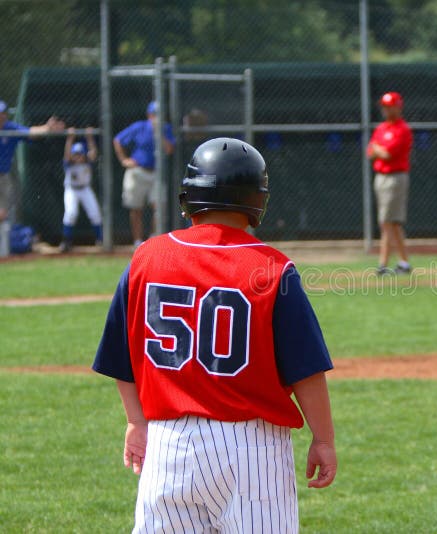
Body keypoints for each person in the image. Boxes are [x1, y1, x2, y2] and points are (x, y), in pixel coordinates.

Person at [93, 138, 337, 532]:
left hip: (168, 446)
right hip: (251, 451)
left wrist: (136, 421)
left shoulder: (147, 257)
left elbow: (122, 356)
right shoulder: (273, 268)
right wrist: (323, 438)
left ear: (188, 196)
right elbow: (305, 369)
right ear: (257, 201)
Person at [113, 101, 175, 248]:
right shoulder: (139, 127)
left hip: (157, 173)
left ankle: (153, 240)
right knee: (136, 208)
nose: (156, 118)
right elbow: (118, 140)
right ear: (149, 115)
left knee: (158, 206)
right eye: (154, 115)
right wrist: (124, 160)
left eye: (159, 115)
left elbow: (169, 150)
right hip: (138, 171)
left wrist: (158, 133)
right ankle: (137, 242)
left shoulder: (165, 129)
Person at [0, 99, 65, 236]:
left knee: (3, 213)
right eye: (0, 113)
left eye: (4, 113)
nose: (2, 116)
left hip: (3, 177)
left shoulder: (10, 128)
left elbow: (30, 132)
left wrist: (47, 128)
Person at [367, 91, 413, 275]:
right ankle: (403, 262)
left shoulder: (402, 129)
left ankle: (383, 265)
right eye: (384, 106)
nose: (385, 109)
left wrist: (378, 149)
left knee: (387, 222)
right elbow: (370, 151)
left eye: (389, 106)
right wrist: (378, 150)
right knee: (391, 223)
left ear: (397, 107)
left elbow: (387, 154)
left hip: (395, 177)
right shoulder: (381, 128)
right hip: (381, 177)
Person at [59, 127, 102, 252]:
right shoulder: (69, 163)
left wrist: (89, 138)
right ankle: (66, 241)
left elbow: (93, 153)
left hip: (85, 189)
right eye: (75, 154)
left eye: (80, 154)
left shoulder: (87, 162)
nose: (78, 157)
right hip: (71, 190)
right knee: (71, 213)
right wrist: (70, 139)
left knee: (95, 214)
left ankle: (100, 240)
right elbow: (67, 155)